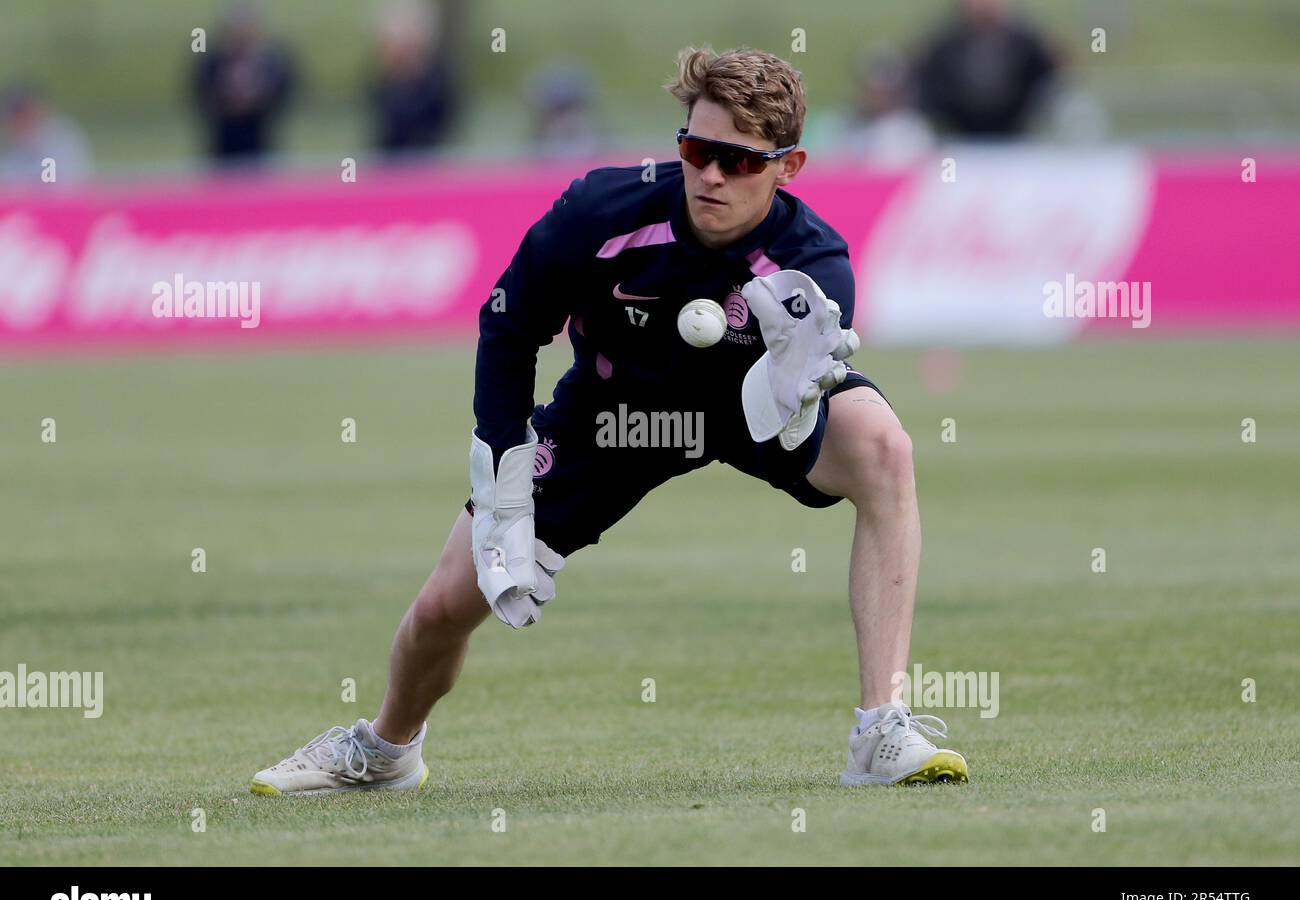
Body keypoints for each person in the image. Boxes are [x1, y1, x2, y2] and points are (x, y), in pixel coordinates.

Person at [250, 46, 969, 796]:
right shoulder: (602, 209)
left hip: (746, 411)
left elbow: (800, 417)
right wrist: (501, 469)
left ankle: (880, 730)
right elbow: (508, 323)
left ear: (790, 167)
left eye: (742, 161)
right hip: (611, 415)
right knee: (445, 604)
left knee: (886, 447)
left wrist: (795, 394)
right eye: (698, 150)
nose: (713, 176)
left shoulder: (814, 265)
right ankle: (386, 750)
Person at [914, 0, 1058, 137]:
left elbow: (1050, 84)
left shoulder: (1028, 46)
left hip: (1017, 137)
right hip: (959, 137)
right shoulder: (944, 45)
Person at [192, 1, 296, 166]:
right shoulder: (212, 60)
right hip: (223, 143)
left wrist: (256, 95)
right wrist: (228, 98)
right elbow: (201, 95)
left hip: (260, 141)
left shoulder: (272, 59)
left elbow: (284, 93)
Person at [369, 0, 457, 157]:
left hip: (430, 164)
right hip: (388, 166)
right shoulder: (379, 83)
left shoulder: (439, 80)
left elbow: (441, 124)